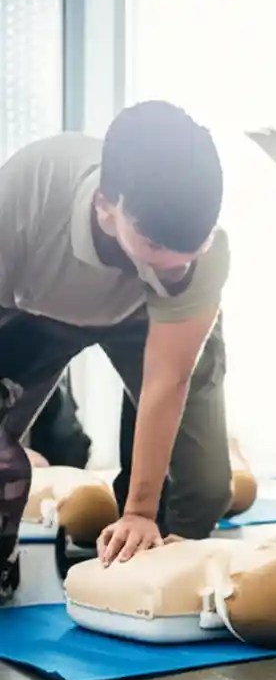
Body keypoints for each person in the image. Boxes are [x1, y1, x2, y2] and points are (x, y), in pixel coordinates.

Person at [0, 101, 231, 599]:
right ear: (106, 208)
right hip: (37, 308)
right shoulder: (23, 196)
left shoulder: (200, 256)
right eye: (154, 248)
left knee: (204, 491)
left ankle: (137, 579)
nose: (173, 269)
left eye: (187, 254)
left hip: (148, 319)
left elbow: (167, 379)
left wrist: (140, 512)